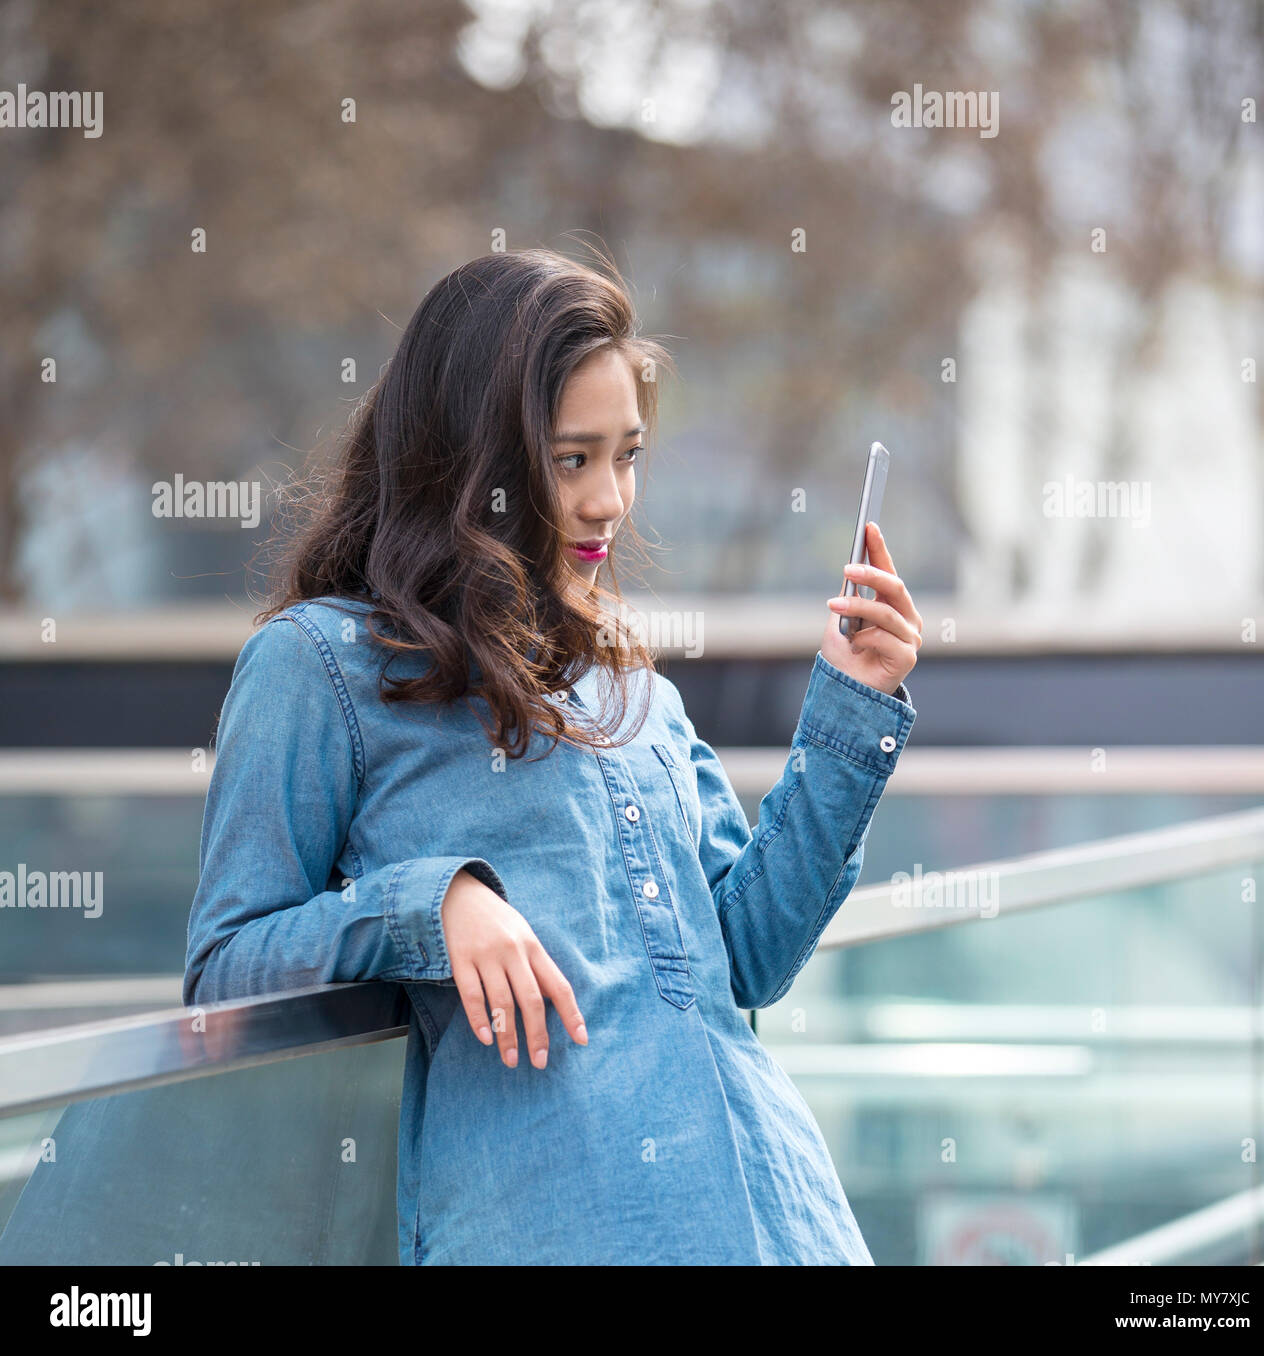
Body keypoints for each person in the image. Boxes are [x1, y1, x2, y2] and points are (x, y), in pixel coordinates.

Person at [183, 245, 923, 1265]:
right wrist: (431, 904)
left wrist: (849, 708)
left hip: (781, 1221)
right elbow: (226, 970)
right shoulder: (317, 665)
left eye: (627, 455)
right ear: (472, 458)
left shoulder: (631, 681)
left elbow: (745, 957)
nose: (610, 498)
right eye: (572, 458)